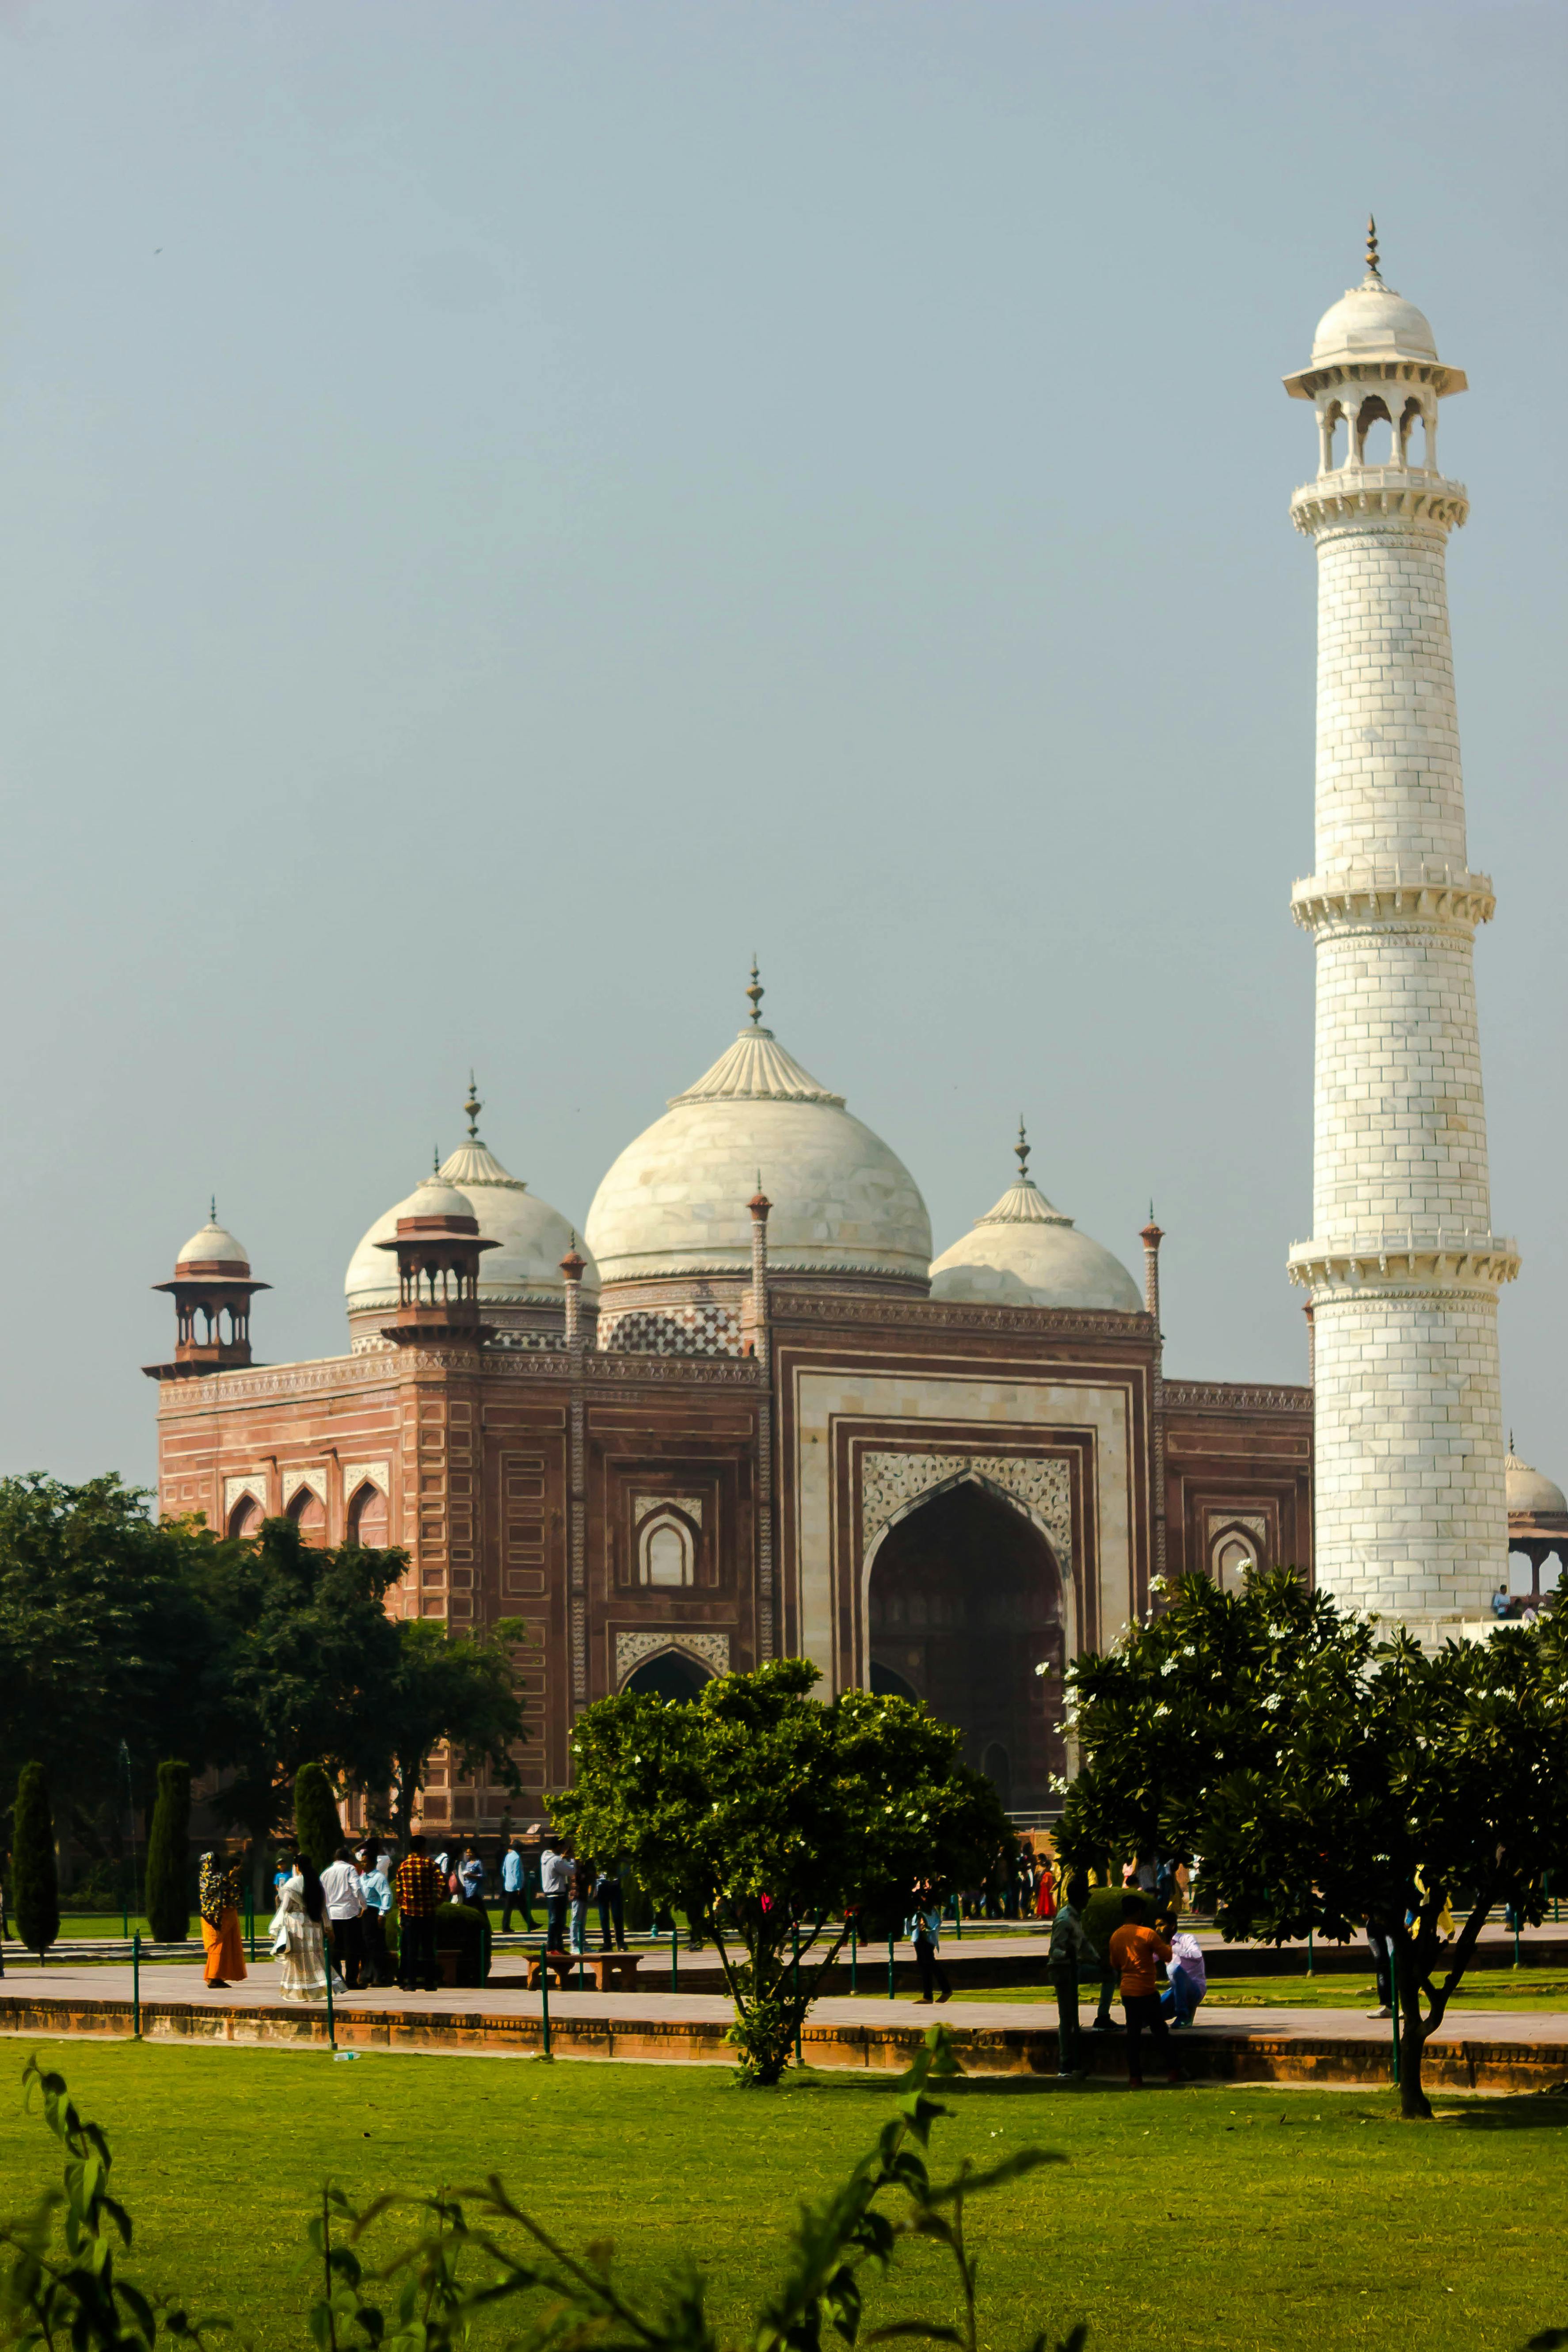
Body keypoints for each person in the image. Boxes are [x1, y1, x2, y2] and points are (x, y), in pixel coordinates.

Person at [1107, 1893, 1180, 2088]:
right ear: (1139, 1912)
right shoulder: (1147, 1934)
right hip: (1147, 1990)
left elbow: (1114, 1963)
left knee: (1133, 2035)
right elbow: (1166, 1956)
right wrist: (1168, 1940)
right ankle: (1174, 2070)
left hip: (1128, 1991)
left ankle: (1135, 2077)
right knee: (1160, 2031)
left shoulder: (1116, 1936)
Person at [1047, 1872, 1091, 2076]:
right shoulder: (1064, 1920)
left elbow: (1084, 1944)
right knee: (1067, 2019)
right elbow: (1054, 1951)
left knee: (1073, 2018)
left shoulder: (1076, 1917)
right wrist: (1068, 1954)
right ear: (1079, 1899)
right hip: (1062, 1970)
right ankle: (1066, 2065)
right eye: (1087, 1896)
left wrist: (1098, 1960)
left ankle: (1075, 2061)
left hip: (1073, 1968)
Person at [270, 1852, 329, 2004]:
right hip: (314, 1925)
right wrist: (329, 1927)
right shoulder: (316, 1883)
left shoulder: (292, 1884)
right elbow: (324, 1908)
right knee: (313, 1958)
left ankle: (299, 1991)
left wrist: (276, 1927)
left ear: (297, 1867)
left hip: (296, 1924)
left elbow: (285, 1907)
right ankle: (315, 1989)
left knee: (298, 1960)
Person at [395, 1836, 443, 1992]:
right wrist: (437, 1901)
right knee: (428, 1948)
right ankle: (430, 1982)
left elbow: (399, 1892)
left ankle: (411, 1982)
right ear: (423, 1847)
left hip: (409, 1913)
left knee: (410, 1949)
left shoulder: (403, 1866)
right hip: (428, 1913)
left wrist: (403, 1906)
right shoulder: (430, 1864)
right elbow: (443, 1884)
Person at [198, 1847, 247, 1989]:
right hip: (217, 1918)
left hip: (210, 1918)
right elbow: (229, 1890)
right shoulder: (216, 1878)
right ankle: (214, 1977)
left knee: (220, 1946)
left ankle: (216, 1976)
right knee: (218, 1946)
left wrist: (231, 1878)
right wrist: (234, 1877)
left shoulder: (205, 1877)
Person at [320, 1844, 368, 1990]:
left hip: (331, 1915)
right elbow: (357, 1888)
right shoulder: (349, 1869)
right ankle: (351, 1981)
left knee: (334, 1950)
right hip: (349, 1913)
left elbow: (322, 1895)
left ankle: (337, 1982)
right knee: (352, 1949)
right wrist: (364, 1906)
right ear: (347, 1859)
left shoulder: (325, 1873)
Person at [356, 1844, 395, 1987]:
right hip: (363, 1914)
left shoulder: (379, 1878)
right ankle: (367, 1975)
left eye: (365, 1861)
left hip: (374, 1913)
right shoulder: (361, 1878)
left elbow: (386, 1895)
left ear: (373, 1863)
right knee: (365, 1946)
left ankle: (380, 1977)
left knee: (376, 1946)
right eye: (362, 1862)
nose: (363, 1864)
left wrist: (383, 1913)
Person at [907, 1884, 951, 2005]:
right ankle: (929, 1996)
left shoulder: (930, 1906)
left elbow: (933, 1920)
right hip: (919, 1934)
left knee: (929, 1961)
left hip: (927, 1935)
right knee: (923, 1962)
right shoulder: (919, 1904)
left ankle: (945, 1990)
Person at [1160, 1911, 1206, 2026]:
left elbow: (1197, 1955)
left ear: (1172, 1926)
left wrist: (1173, 1950)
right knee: (1148, 2016)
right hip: (1175, 1991)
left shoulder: (1187, 1938)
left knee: (1173, 1969)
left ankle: (1184, 2016)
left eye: (1161, 1925)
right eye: (1156, 1926)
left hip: (1194, 1990)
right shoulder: (1160, 1944)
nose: (1158, 1929)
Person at [540, 1837, 572, 1952]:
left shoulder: (546, 1857)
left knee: (557, 1922)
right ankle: (553, 1947)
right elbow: (571, 1871)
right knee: (556, 1922)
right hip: (558, 1894)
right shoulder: (556, 1860)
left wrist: (563, 1858)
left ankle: (558, 1946)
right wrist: (572, 1861)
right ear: (558, 1847)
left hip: (550, 1893)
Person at [500, 1839, 535, 1934]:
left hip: (508, 1885)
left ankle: (531, 1923)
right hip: (516, 1886)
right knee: (516, 1906)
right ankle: (506, 1926)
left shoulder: (508, 1856)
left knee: (517, 1906)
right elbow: (517, 1873)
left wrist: (508, 1879)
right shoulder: (517, 1858)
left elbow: (504, 1870)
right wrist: (519, 1887)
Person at [594, 1859, 626, 1952]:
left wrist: (621, 1874)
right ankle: (607, 1943)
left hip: (615, 1885)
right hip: (602, 1886)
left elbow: (627, 1864)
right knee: (604, 1917)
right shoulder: (599, 1857)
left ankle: (620, 1942)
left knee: (617, 1916)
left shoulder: (615, 1857)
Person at [571, 1852, 594, 1954]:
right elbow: (577, 1878)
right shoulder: (574, 1865)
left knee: (583, 1921)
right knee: (576, 1920)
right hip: (577, 1895)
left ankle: (582, 1944)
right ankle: (574, 1944)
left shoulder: (586, 1865)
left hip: (584, 1894)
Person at [458, 1845, 486, 1912]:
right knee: (469, 1908)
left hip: (475, 1889)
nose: (468, 1854)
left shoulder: (478, 1863)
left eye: (470, 1853)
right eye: (467, 1853)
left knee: (479, 1908)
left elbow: (483, 1875)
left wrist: (473, 1875)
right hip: (468, 1888)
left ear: (474, 1853)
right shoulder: (467, 1863)